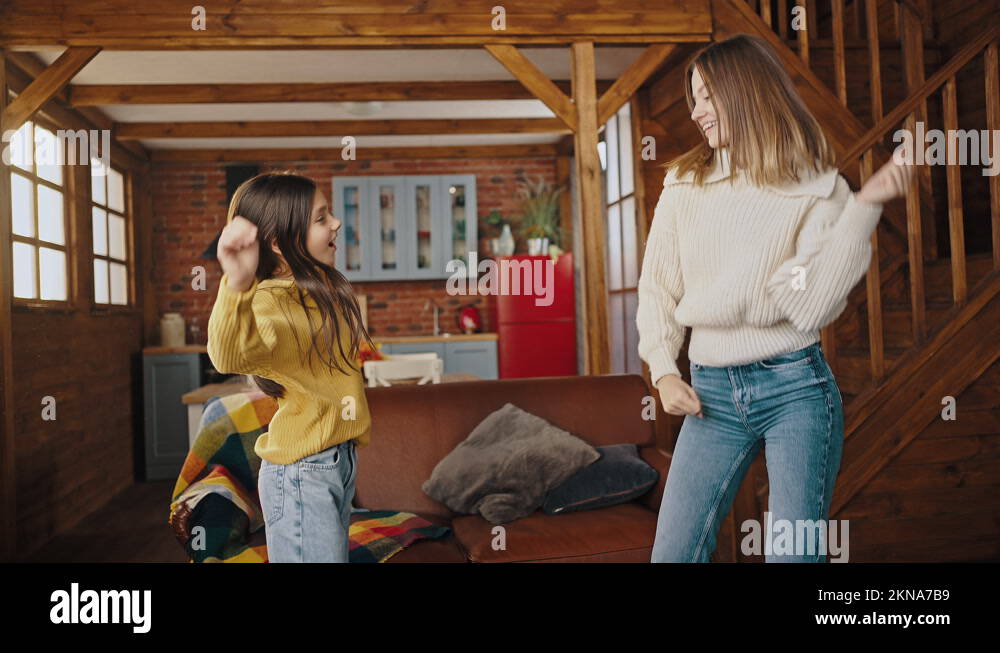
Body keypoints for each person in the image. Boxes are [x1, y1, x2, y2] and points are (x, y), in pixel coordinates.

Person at [636, 34, 913, 562]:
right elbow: (659, 285)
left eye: (708, 96)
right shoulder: (684, 182)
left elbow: (804, 303)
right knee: (672, 554)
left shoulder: (816, 188)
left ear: (746, 91)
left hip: (796, 391)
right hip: (710, 394)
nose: (698, 112)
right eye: (694, 99)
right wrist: (663, 369)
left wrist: (863, 207)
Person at [207, 171, 374, 563]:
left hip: (335, 461)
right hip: (304, 471)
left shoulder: (310, 291)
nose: (335, 223)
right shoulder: (266, 300)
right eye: (321, 218)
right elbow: (227, 356)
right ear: (280, 243)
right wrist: (237, 282)